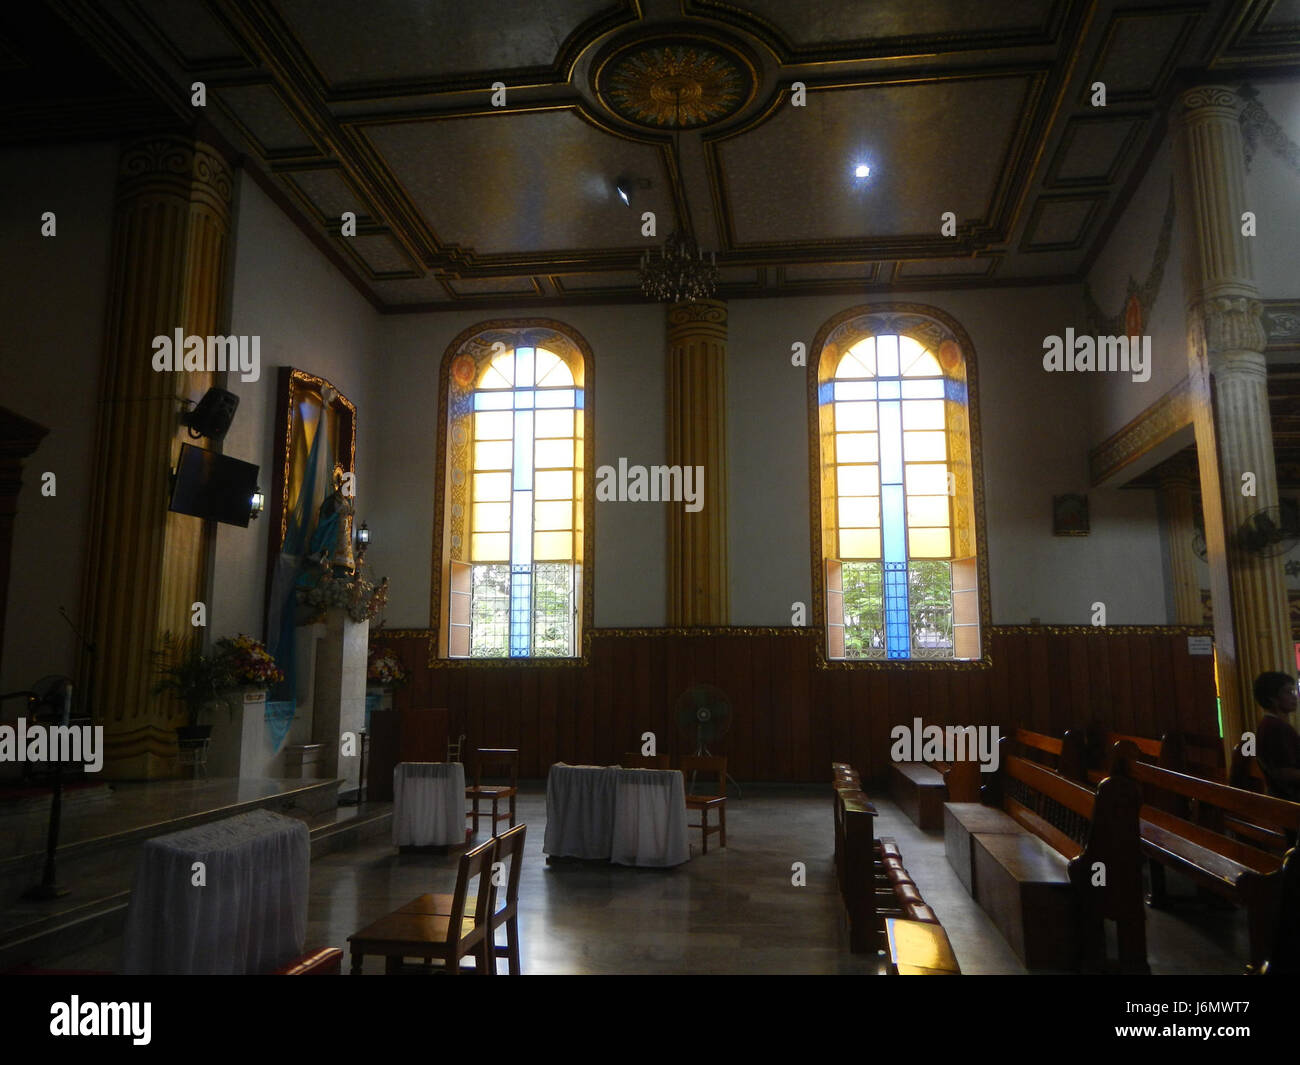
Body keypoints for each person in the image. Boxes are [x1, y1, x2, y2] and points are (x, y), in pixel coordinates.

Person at [1253, 671, 1300, 801]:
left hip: (1277, 795)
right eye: (1288, 692)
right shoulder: (1277, 728)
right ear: (1272, 698)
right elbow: (1284, 773)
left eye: (1294, 692)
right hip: (1290, 799)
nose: (1295, 697)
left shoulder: (1267, 724)